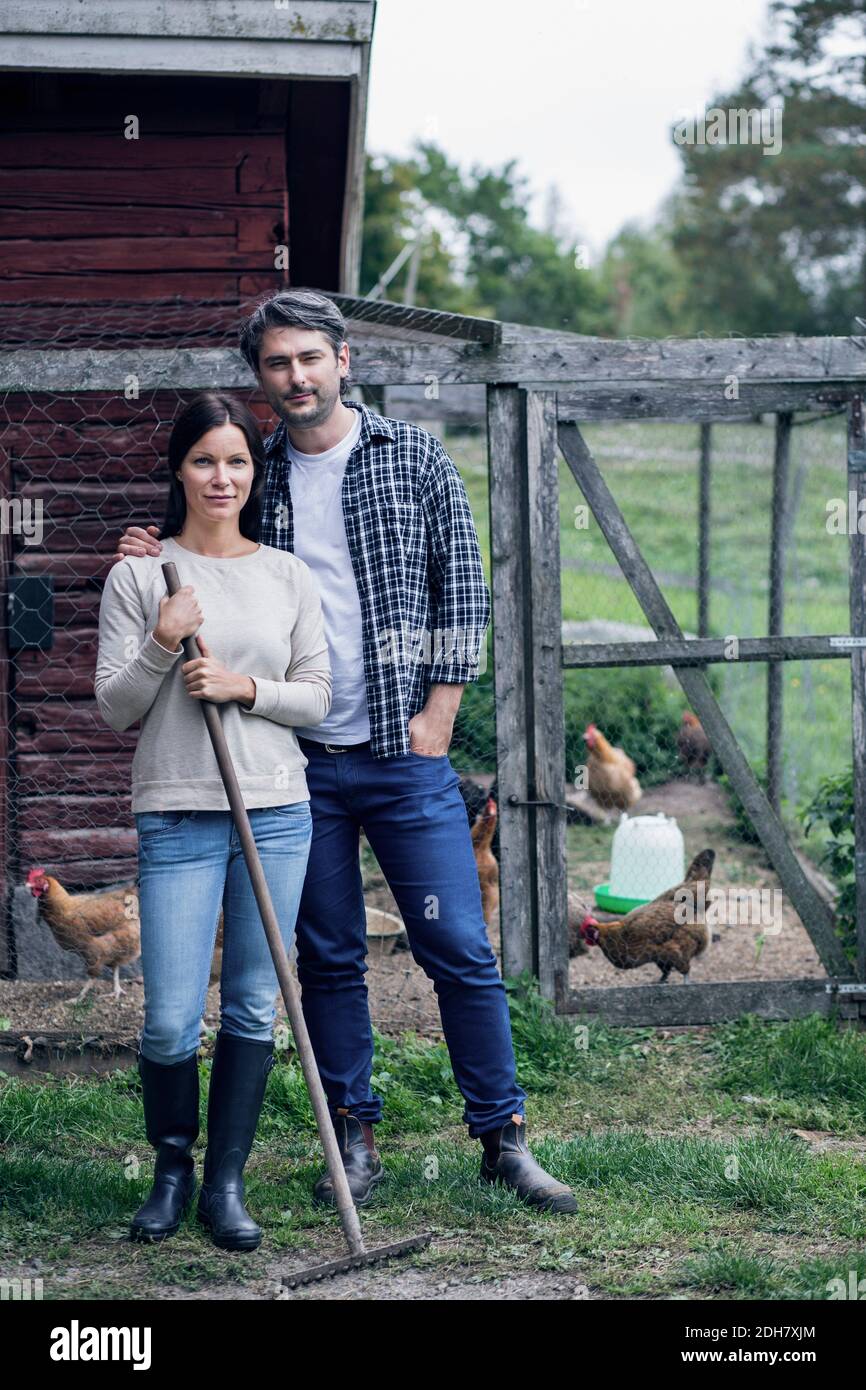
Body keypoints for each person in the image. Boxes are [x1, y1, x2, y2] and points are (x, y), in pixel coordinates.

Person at [114, 289, 577, 1215]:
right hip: (297, 761)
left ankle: (502, 1137)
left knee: (456, 944)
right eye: (277, 364)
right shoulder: (260, 470)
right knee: (328, 956)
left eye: (309, 358)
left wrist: (440, 713)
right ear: (263, 378)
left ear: (343, 359)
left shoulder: (414, 457)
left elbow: (464, 590)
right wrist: (151, 547)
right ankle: (354, 1135)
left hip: (405, 752)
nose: (295, 377)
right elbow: (213, 542)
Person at [95, 391, 331, 1249]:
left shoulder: (286, 575)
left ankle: (225, 1184)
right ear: (178, 469)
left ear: (253, 473)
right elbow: (116, 709)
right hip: (179, 813)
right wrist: (164, 640)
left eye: (236, 461)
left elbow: (318, 696)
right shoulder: (141, 574)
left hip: (275, 813)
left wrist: (242, 688)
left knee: (253, 1006)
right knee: (166, 1017)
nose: (221, 477)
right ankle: (171, 1170)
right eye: (204, 460)